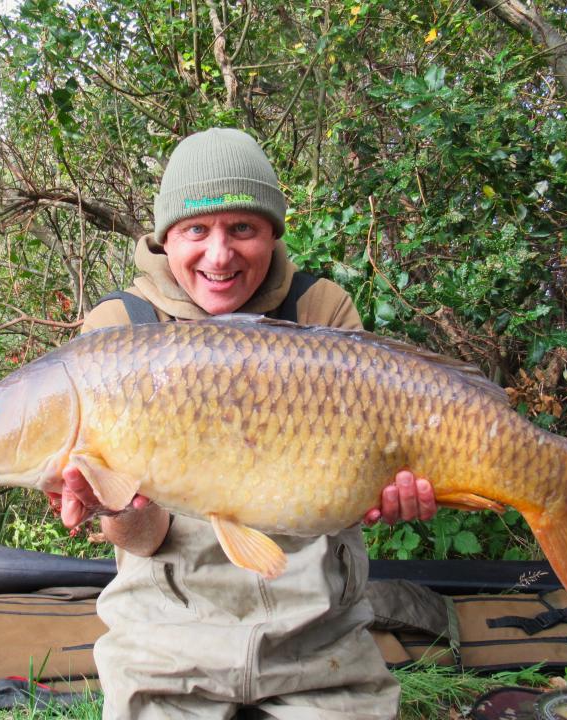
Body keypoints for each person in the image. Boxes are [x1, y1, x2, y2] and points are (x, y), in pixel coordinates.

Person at [52, 128, 437, 720]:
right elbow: (145, 540)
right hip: (168, 640)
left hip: (316, 635)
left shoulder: (320, 311)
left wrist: (390, 487)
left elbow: (362, 491)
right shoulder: (118, 331)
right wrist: (115, 502)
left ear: (273, 233)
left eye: (243, 229)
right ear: (165, 238)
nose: (219, 255)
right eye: (196, 230)